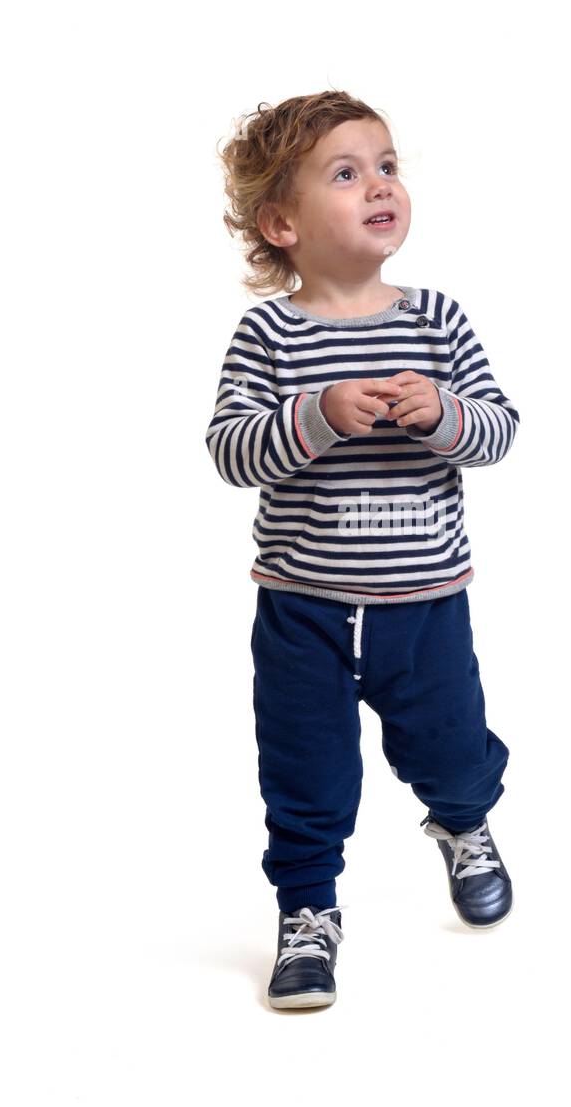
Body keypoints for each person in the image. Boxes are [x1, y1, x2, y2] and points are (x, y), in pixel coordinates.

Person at [206, 90, 521, 1010]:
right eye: (346, 174)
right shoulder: (268, 334)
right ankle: (307, 912)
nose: (380, 185)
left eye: (387, 166)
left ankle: (463, 821)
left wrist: (445, 415)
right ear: (283, 223)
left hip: (424, 605)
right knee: (305, 772)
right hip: (302, 607)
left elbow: (500, 430)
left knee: (451, 751)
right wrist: (313, 416)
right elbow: (230, 451)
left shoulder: (437, 321)